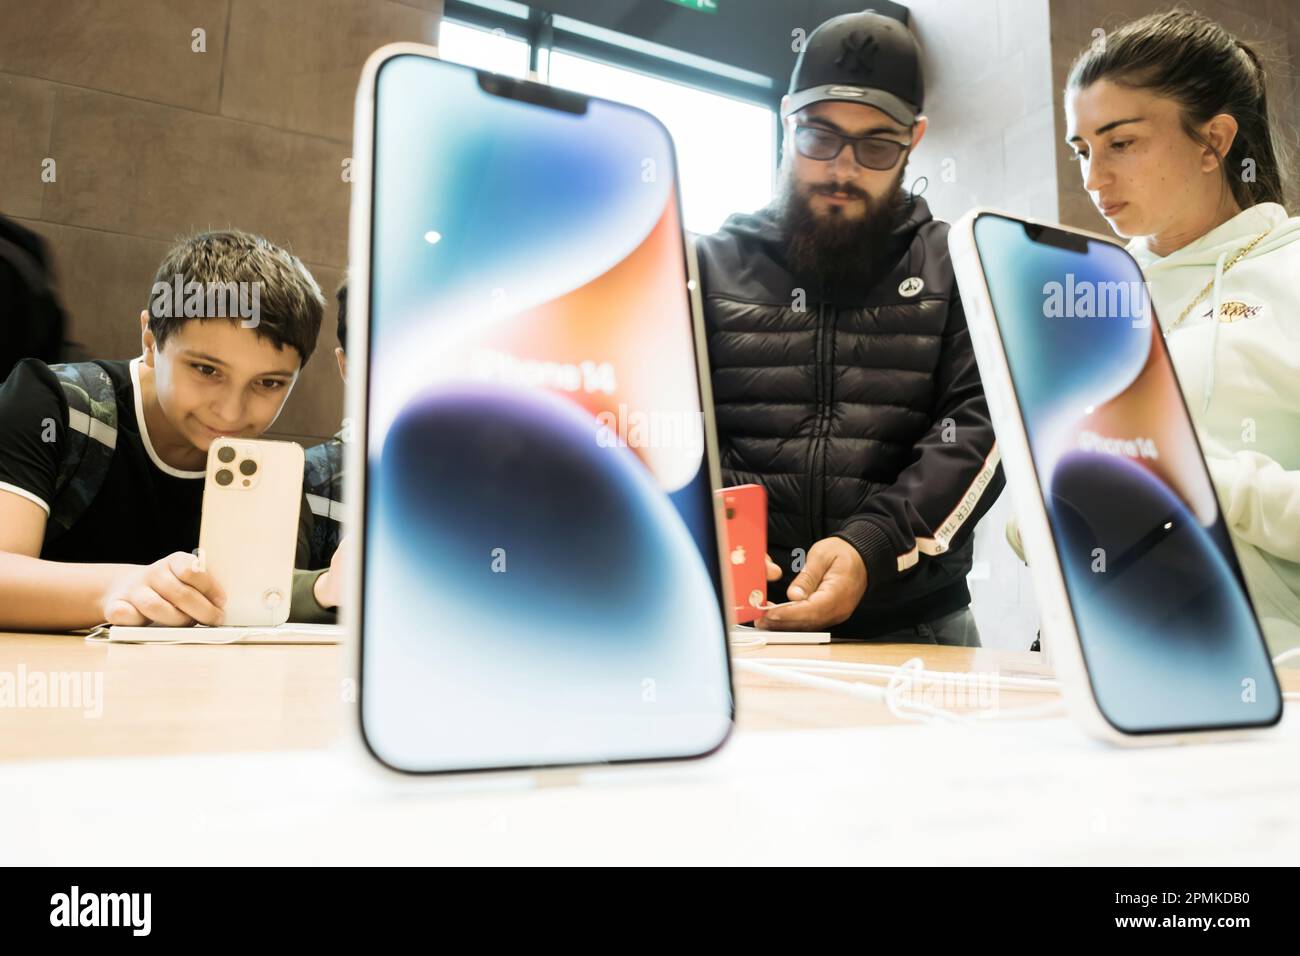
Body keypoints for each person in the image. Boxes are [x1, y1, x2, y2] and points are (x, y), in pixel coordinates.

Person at [694, 11, 1004, 644]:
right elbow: (661, 420)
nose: (842, 169)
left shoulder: (960, 264)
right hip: (732, 620)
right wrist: (706, 518)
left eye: (876, 145)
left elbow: (980, 425)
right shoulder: (708, 262)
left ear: (914, 139)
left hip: (915, 621)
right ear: (787, 120)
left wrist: (872, 544)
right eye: (820, 137)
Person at [1061, 9, 1300, 652]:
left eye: (1121, 142)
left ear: (1213, 140)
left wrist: (1197, 478)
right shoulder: (1088, 300)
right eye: (1082, 150)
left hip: (1272, 681)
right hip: (1098, 670)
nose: (1093, 178)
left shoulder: (1291, 270)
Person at [0, 229, 337, 630]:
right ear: (149, 339)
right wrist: (121, 587)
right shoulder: (56, 404)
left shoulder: (271, 476)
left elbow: (248, 611)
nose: (231, 411)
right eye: (206, 370)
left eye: (268, 383)